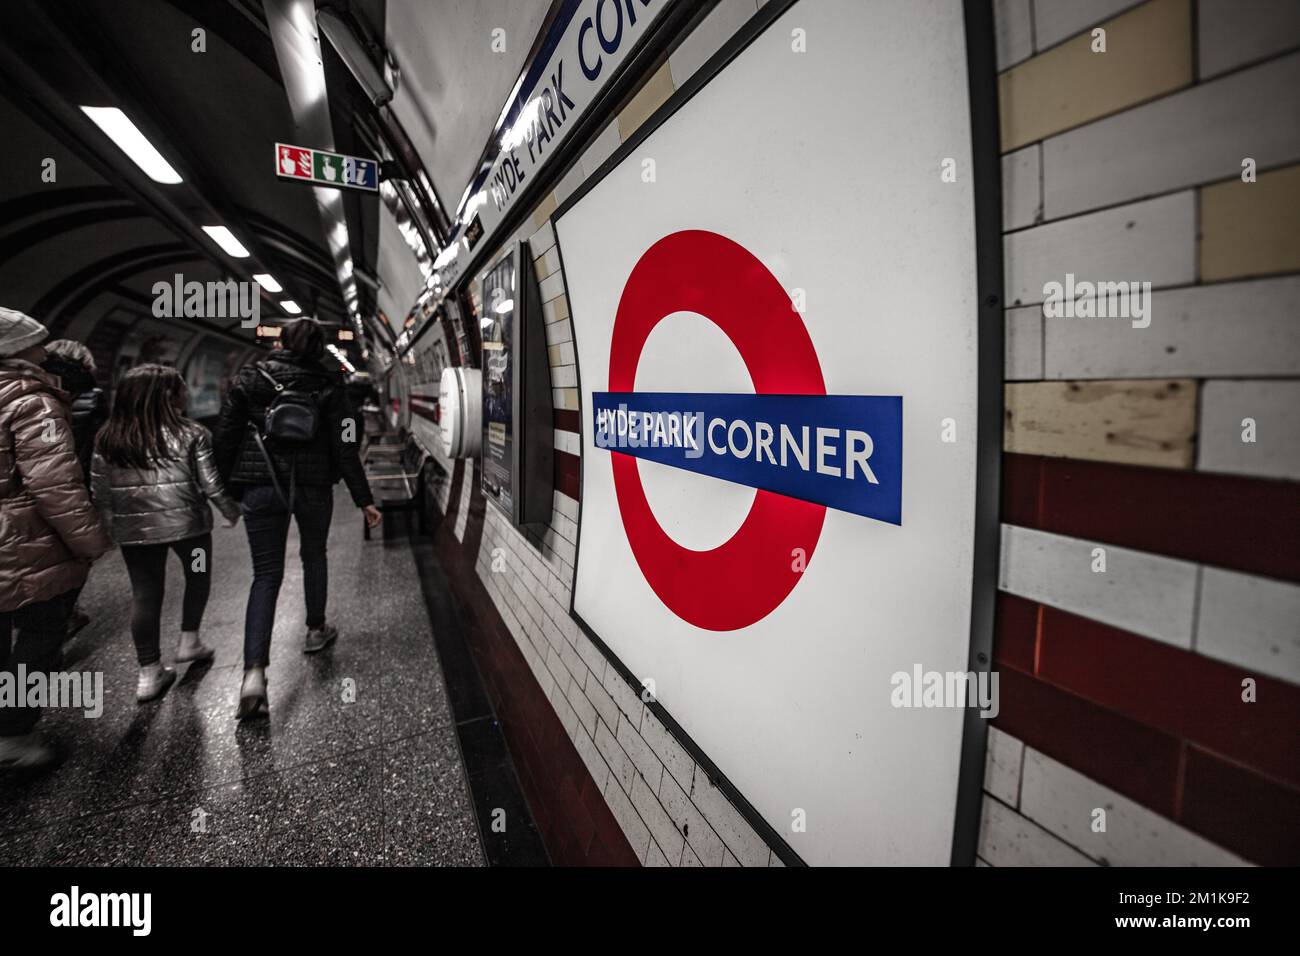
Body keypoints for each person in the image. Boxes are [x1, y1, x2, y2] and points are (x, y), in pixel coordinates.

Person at [213, 318, 379, 720]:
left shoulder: (249, 379)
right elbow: (345, 446)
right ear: (319, 346)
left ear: (281, 341)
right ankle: (315, 630)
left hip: (260, 485)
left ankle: (254, 675)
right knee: (314, 555)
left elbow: (225, 437)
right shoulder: (329, 383)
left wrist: (231, 493)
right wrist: (363, 499)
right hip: (313, 486)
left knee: (265, 575)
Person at [0, 308, 112, 770]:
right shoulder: (31, 400)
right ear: (16, 350)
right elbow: (56, 485)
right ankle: (12, 735)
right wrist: (90, 543)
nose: (45, 352)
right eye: (37, 344)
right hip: (23, 541)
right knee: (43, 633)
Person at [92, 364, 241, 703]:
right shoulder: (193, 434)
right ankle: (189, 640)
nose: (186, 393)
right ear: (168, 396)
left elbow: (99, 491)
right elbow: (211, 483)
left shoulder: (108, 438)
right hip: (190, 530)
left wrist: (108, 528)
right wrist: (231, 511)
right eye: (181, 389)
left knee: (145, 594)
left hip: (135, 532)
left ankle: (148, 673)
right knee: (198, 576)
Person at [41, 339, 109, 637]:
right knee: (78, 552)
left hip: (30, 484)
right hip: (75, 482)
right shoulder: (92, 395)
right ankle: (61, 616)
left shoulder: (30, 386)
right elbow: (99, 448)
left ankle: (35, 611)